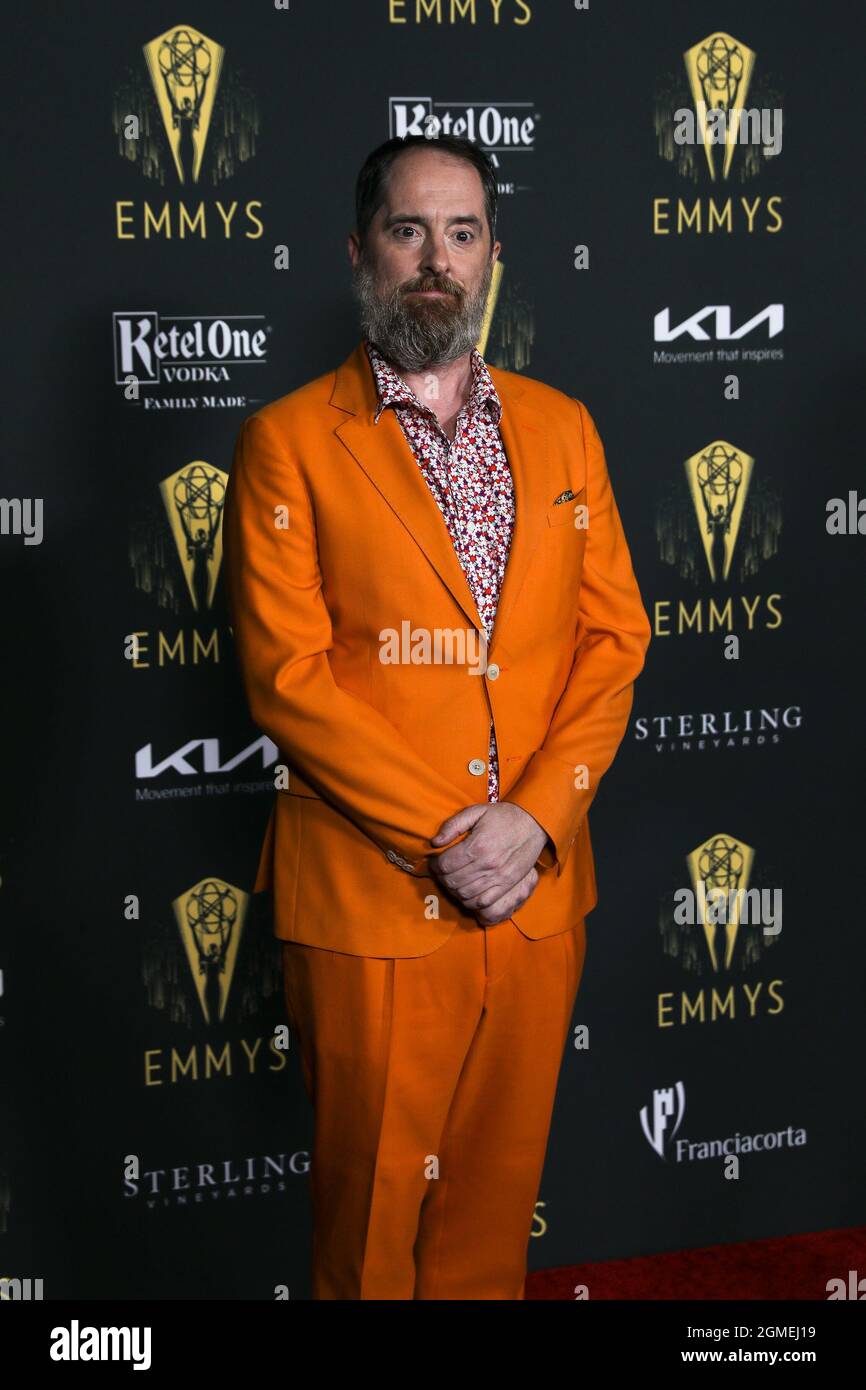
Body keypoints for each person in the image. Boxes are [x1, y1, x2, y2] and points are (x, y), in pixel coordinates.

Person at [222, 133, 651, 1300]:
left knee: (487, 1228)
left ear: (492, 257)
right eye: (408, 230)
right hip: (371, 908)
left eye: (460, 234)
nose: (435, 260)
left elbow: (614, 641)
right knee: (365, 1240)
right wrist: (459, 838)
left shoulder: (564, 429)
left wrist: (533, 823)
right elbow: (287, 678)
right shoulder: (285, 443)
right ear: (358, 251)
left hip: (534, 898)